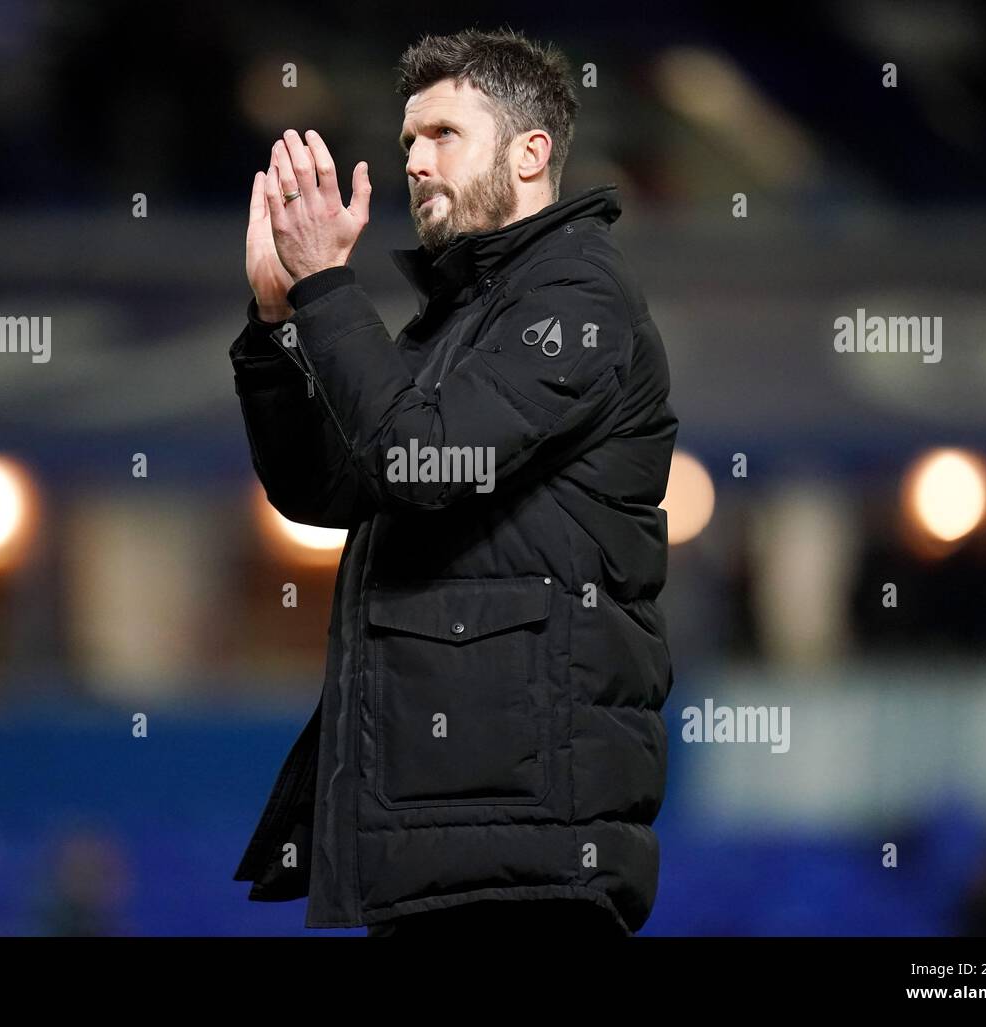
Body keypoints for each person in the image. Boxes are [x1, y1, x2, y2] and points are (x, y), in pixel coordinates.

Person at [231, 27, 677, 939]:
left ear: (529, 153)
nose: (417, 163)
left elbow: (418, 464)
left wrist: (327, 290)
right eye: (407, 143)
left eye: (443, 135)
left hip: (529, 848)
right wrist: (281, 325)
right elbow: (327, 490)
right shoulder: (459, 321)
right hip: (445, 832)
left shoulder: (577, 294)